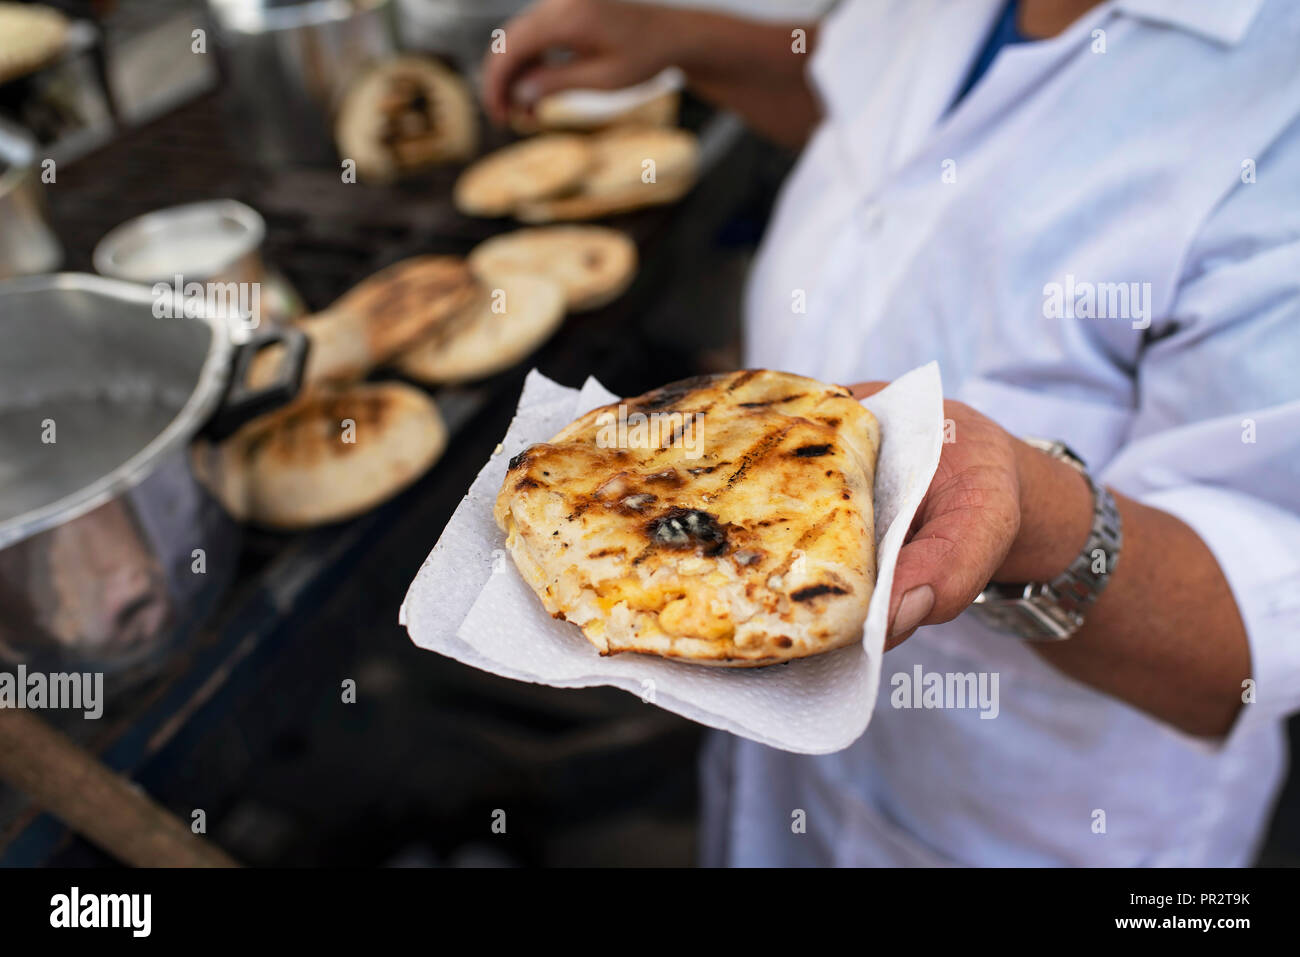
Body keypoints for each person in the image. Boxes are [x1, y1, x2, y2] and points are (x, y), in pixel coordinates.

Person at [482, 0, 1300, 866]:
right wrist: (683, 44)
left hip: (1022, 807)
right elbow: (878, 117)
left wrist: (1040, 513)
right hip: (764, 704)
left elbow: (1252, 632)